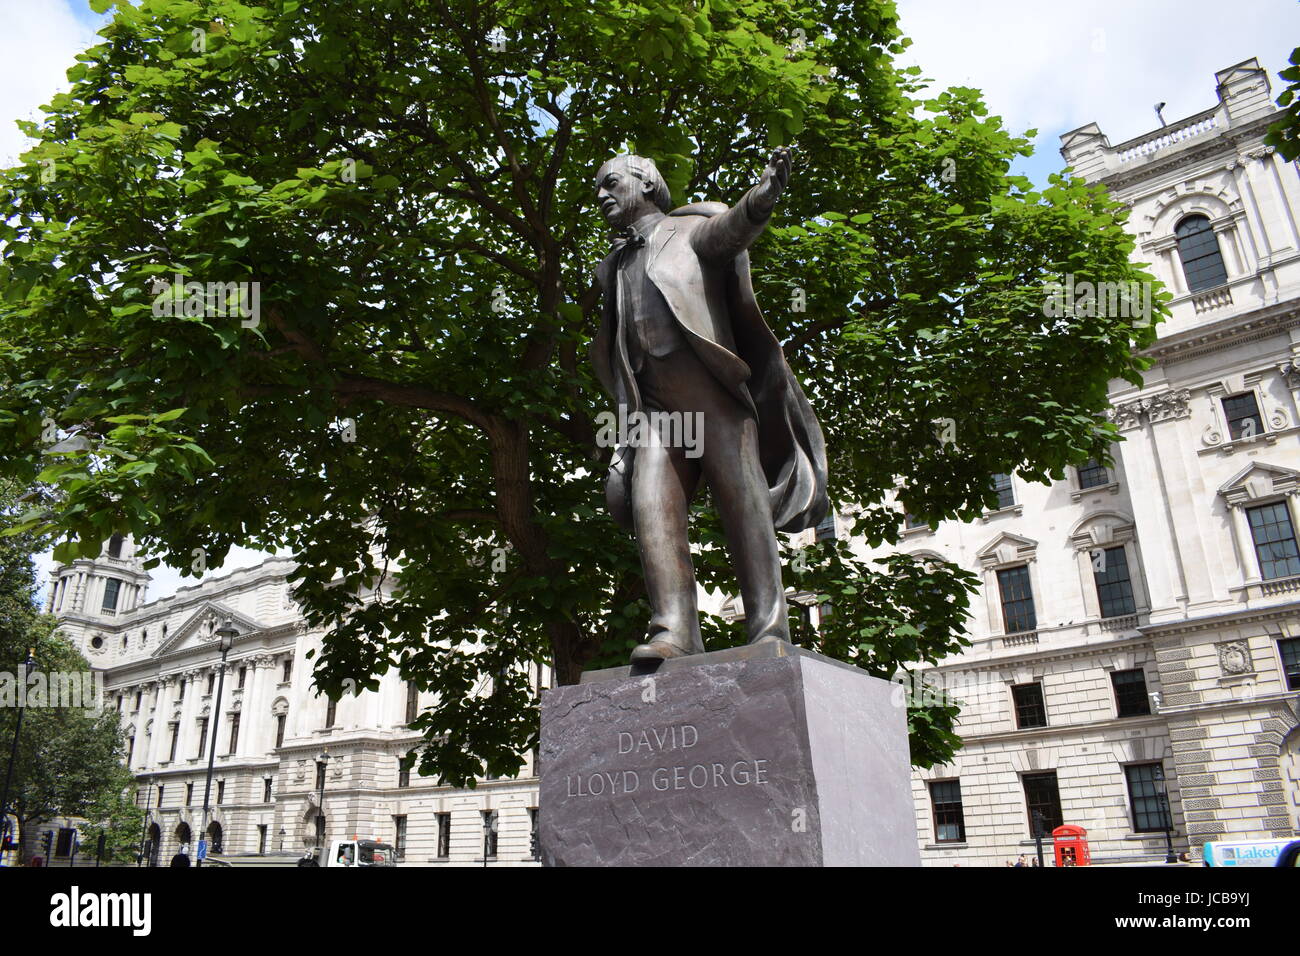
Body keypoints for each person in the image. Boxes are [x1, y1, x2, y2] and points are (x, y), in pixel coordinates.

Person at [590, 149, 828, 662]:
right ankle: (674, 631)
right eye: (598, 190)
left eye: (611, 183)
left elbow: (733, 229)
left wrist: (762, 197)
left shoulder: (691, 231)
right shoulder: (613, 265)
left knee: (745, 509)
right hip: (657, 411)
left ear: (646, 184)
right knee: (653, 510)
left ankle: (768, 629)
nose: (602, 196)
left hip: (713, 399)